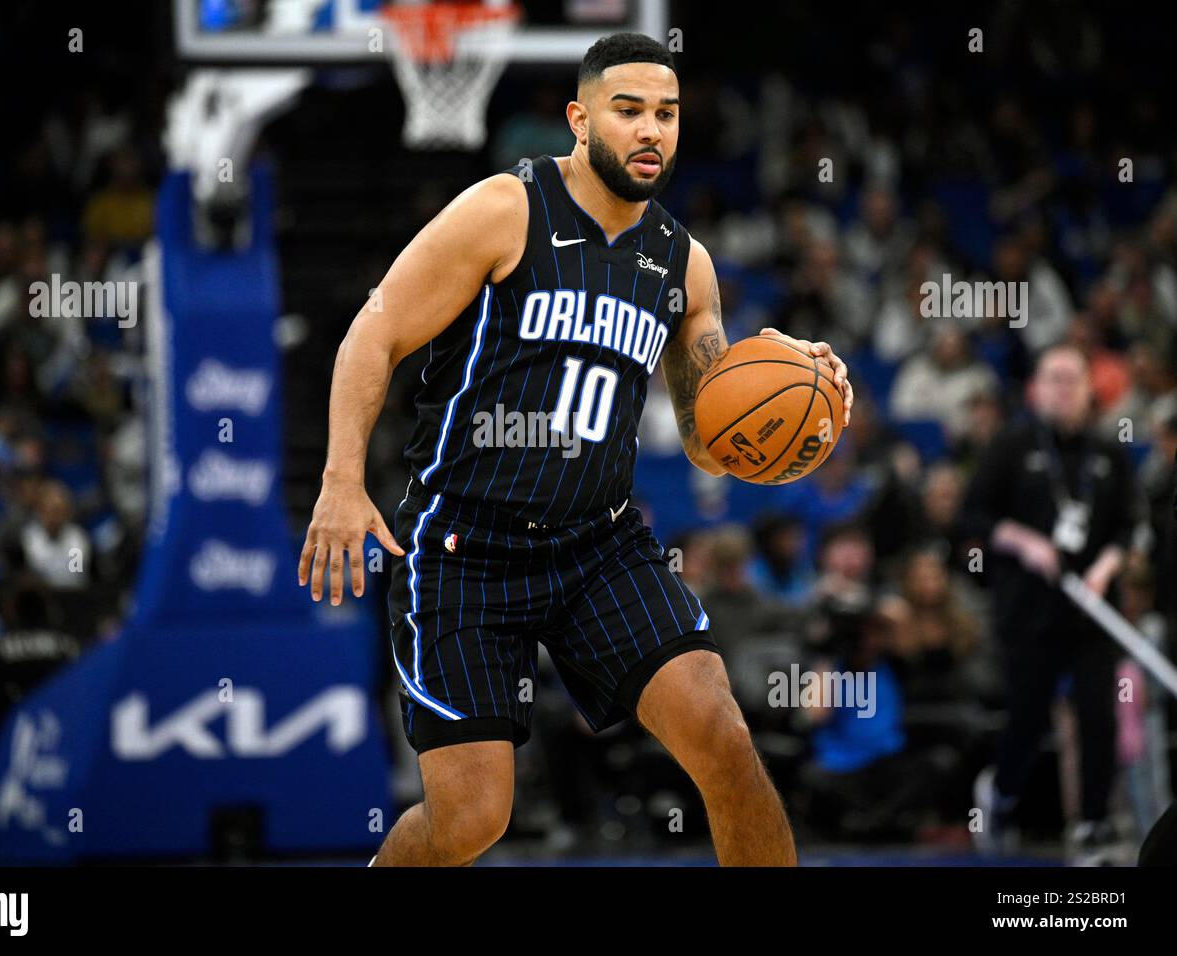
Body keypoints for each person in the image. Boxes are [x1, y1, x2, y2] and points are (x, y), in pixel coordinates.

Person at [296, 34, 854, 867]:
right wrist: (341, 479)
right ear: (579, 117)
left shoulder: (684, 266)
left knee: (723, 735)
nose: (649, 131)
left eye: (665, 114)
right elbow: (373, 334)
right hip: (464, 547)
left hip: (599, 543)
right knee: (471, 819)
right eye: (627, 111)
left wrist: (797, 399)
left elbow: (708, 443)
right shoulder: (504, 210)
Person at [964, 343, 1137, 861]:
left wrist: (1105, 571)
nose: (1062, 389)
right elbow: (972, 519)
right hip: (1028, 611)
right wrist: (1025, 541)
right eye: (1052, 379)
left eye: (1072, 379)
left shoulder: (1108, 453)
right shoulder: (1010, 446)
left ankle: (1092, 825)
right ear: (1035, 388)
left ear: (1089, 389)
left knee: (1098, 716)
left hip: (1090, 612)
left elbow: (1129, 527)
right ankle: (1000, 793)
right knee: (1029, 716)